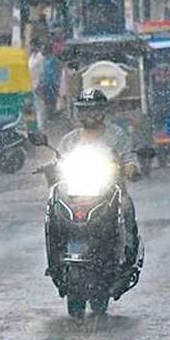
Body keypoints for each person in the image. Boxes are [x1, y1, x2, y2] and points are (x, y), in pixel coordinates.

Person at [58, 88, 141, 267]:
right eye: (84, 109)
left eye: (93, 109)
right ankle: (56, 257)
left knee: (126, 207)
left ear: (103, 111)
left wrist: (131, 168)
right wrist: (50, 168)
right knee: (54, 211)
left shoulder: (117, 135)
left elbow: (129, 156)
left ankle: (128, 254)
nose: (88, 114)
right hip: (75, 194)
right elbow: (59, 161)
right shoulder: (69, 140)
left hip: (110, 194)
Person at [27, 42, 47, 130]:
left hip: (38, 83)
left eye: (32, 46)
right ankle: (33, 125)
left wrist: (40, 85)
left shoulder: (40, 58)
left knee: (39, 106)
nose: (31, 47)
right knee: (33, 106)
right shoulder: (31, 58)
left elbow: (42, 73)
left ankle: (40, 126)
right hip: (30, 84)